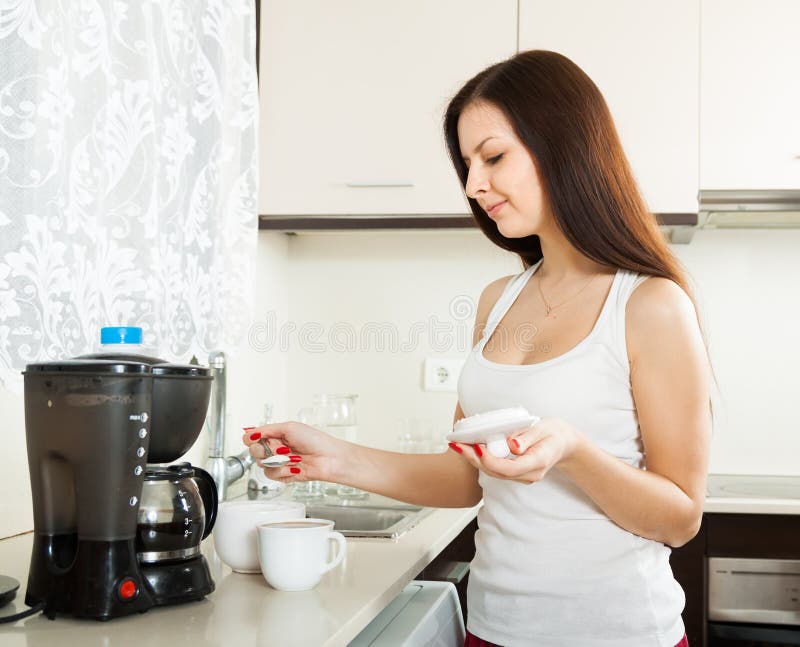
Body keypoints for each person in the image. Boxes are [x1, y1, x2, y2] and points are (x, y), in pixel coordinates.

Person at [243, 50, 711, 647]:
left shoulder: (649, 304)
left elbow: (679, 518)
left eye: (493, 157)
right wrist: (332, 458)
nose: (473, 185)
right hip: (493, 629)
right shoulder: (498, 301)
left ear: (564, 147)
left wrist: (573, 451)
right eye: (467, 165)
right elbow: (466, 479)